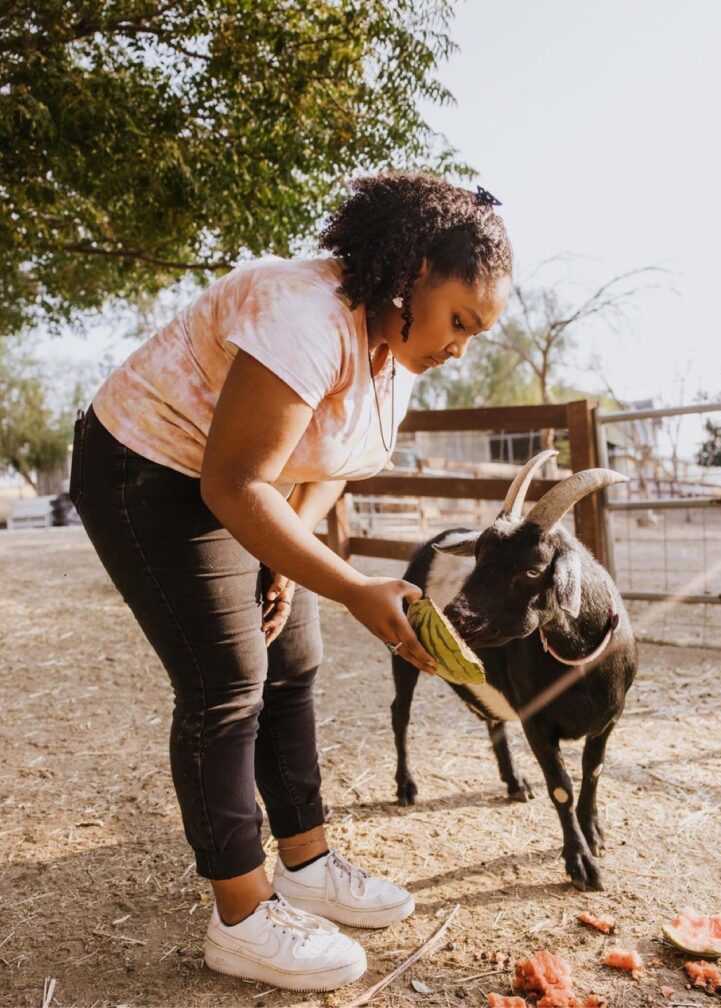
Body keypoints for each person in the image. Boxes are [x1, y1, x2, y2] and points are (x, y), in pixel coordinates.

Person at [69, 172, 513, 991]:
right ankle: (239, 914)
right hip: (147, 466)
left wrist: (289, 556)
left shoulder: (397, 355)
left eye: (476, 334)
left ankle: (305, 862)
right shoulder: (303, 314)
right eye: (460, 320)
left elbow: (327, 461)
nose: (461, 347)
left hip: (237, 478)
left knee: (293, 659)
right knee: (226, 679)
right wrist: (352, 586)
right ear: (412, 272)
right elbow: (231, 484)